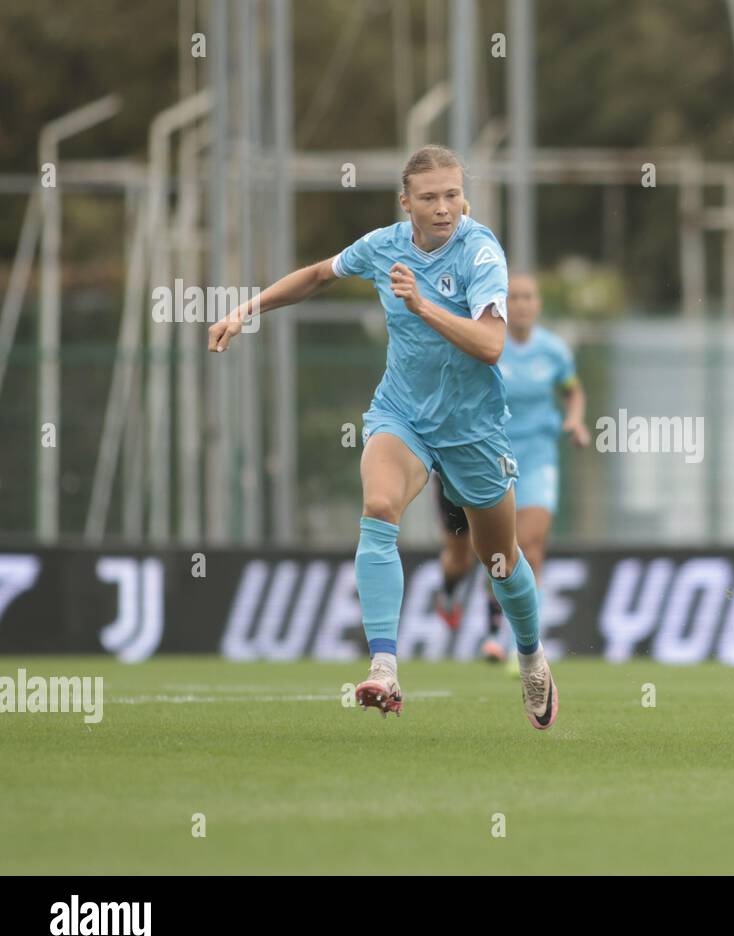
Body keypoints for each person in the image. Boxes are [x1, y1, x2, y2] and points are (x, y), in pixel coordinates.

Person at [207, 144, 558, 730]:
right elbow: (320, 275)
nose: (443, 207)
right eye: (429, 198)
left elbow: (492, 344)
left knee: (499, 560)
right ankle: (384, 668)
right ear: (406, 203)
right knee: (378, 505)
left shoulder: (481, 252)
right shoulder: (384, 245)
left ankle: (531, 657)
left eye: (452, 194)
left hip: (472, 429)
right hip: (403, 415)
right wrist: (249, 309)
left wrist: (422, 305)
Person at [434, 273, 588, 674]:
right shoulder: (486, 342)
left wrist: (575, 420)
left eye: (528, 297)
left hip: (537, 459)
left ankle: (508, 638)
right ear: (503, 303)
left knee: (528, 544)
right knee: (462, 557)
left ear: (537, 304)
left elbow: (572, 390)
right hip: (487, 457)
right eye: (514, 297)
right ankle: (448, 591)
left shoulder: (553, 351)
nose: (521, 304)